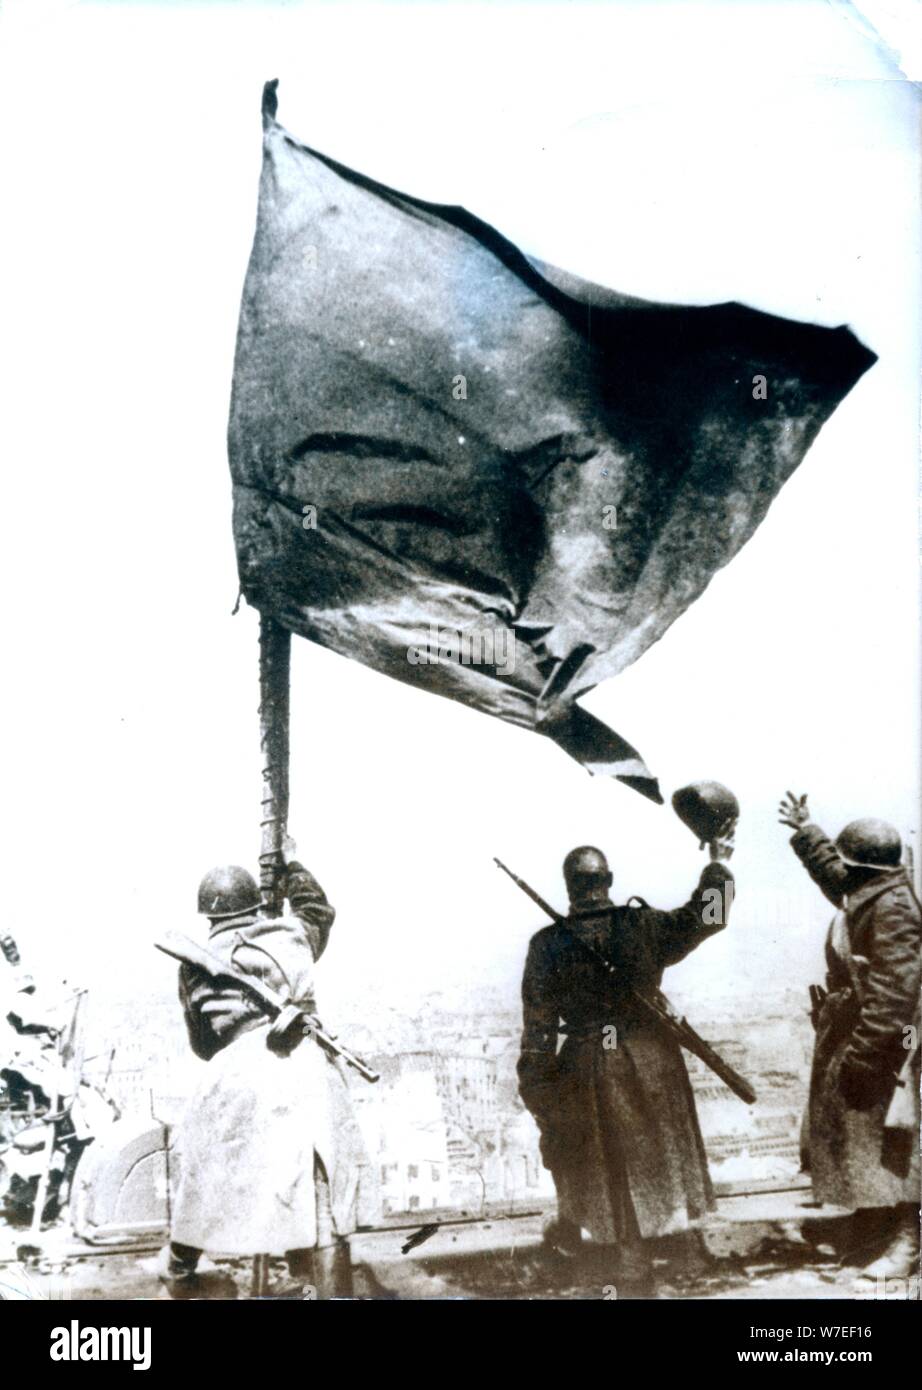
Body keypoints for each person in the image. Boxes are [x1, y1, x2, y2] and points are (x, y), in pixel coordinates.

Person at [517, 838, 734, 1294]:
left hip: (585, 1064)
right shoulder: (642, 925)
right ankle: (683, 1251)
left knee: (606, 1164)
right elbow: (711, 914)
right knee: (660, 1153)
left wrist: (537, 1092)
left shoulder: (546, 945)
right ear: (608, 882)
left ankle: (631, 1261)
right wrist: (718, 865)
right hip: (652, 1058)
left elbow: (537, 1032)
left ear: (569, 886)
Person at [165, 844, 367, 1299]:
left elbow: (203, 1045)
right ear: (257, 904)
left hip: (235, 1076)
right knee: (319, 1187)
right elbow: (318, 909)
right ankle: (328, 1288)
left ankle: (181, 1272)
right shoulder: (291, 934)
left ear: (209, 917)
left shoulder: (194, 963)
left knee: (208, 1172)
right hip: (307, 1070)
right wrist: (288, 864)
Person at [779, 793, 920, 1282]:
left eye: (849, 865)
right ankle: (871, 1220)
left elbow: (895, 993)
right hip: (868, 1035)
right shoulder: (873, 890)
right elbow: (837, 879)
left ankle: (906, 1239)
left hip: (892, 1044)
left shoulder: (895, 908)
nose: (844, 877)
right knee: (866, 1138)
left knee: (898, 1141)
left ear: (866, 869)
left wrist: (864, 1054)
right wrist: (806, 832)